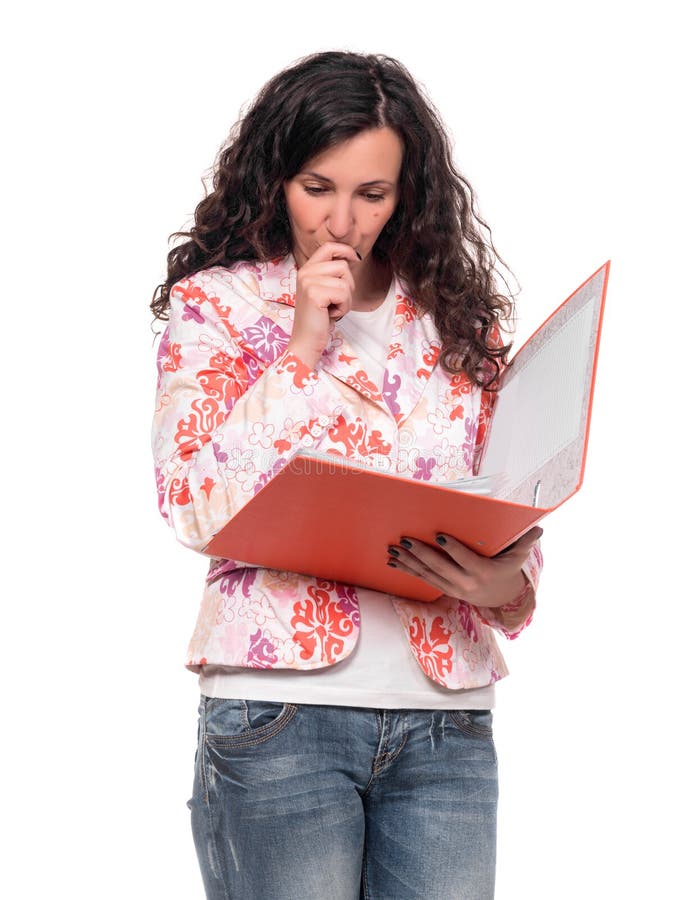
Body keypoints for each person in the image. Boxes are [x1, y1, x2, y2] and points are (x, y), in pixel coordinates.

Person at [150, 50, 543, 900]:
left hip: (447, 725)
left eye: (373, 194)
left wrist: (507, 581)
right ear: (275, 176)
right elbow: (191, 505)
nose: (342, 220)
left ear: (408, 195)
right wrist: (300, 350)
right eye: (316, 187)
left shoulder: (455, 325)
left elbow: (506, 505)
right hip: (280, 716)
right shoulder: (217, 307)